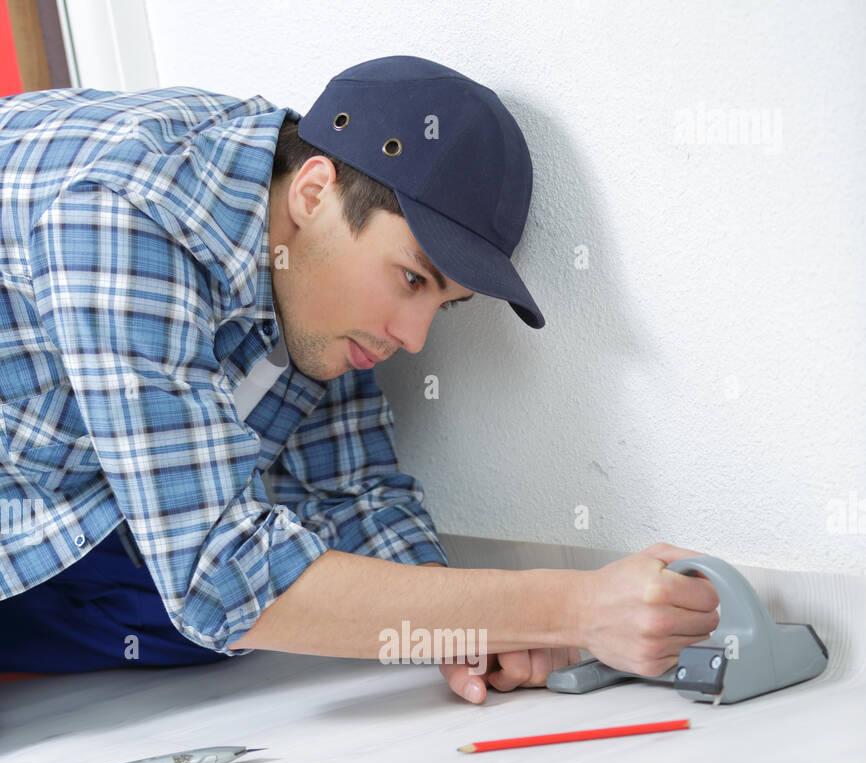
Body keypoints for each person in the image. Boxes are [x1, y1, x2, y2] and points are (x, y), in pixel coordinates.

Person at [0, 55, 719, 700]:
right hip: (36, 516)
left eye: (444, 304)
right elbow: (221, 582)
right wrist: (572, 608)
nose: (413, 338)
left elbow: (349, 491)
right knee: (223, 601)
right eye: (411, 278)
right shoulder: (125, 212)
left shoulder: (300, 235)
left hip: (48, 505)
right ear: (315, 193)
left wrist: (467, 627)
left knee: (209, 622)